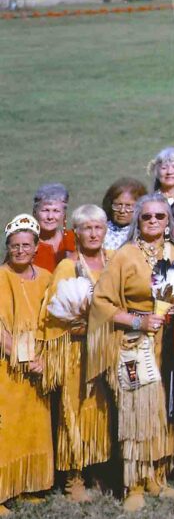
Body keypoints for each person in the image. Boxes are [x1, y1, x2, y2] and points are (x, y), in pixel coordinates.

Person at [89, 193, 174, 510]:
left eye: (159, 217)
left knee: (166, 411)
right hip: (135, 344)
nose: (152, 221)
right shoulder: (125, 256)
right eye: (146, 216)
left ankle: (157, 478)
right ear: (138, 221)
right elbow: (102, 303)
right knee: (137, 412)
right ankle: (133, 483)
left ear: (168, 222)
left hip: (173, 347)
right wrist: (138, 319)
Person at [39, 204, 115, 502]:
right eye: (87, 228)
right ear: (76, 232)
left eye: (98, 227)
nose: (93, 233)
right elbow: (53, 314)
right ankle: (73, 478)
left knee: (102, 412)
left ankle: (97, 469)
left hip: (107, 349)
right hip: (76, 353)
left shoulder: (112, 262)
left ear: (105, 230)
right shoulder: (68, 266)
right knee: (76, 412)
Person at [0, 215, 54, 512]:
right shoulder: (1, 277)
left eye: (25, 245)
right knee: (5, 429)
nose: (20, 251)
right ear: (7, 248)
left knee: (33, 425)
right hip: (8, 366)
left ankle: (26, 484)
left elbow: (55, 321)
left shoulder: (47, 277)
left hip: (40, 363)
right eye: (14, 246)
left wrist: (45, 359)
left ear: (36, 248)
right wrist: (25, 357)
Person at [30, 184, 72, 272]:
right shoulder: (25, 244)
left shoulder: (73, 239)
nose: (50, 217)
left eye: (56, 211)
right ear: (34, 212)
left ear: (63, 214)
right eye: (45, 210)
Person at [101, 177, 146, 253]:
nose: (122, 211)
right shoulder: (100, 229)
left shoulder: (144, 232)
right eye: (118, 205)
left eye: (129, 206)